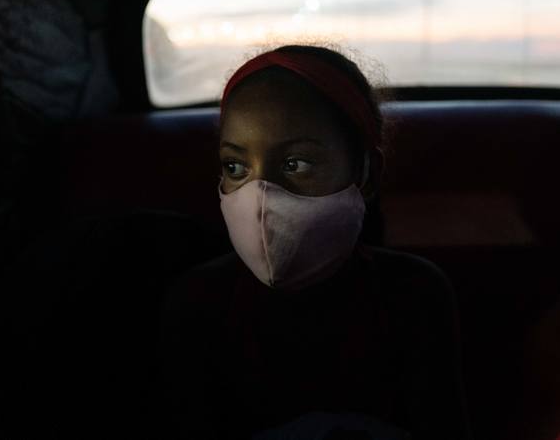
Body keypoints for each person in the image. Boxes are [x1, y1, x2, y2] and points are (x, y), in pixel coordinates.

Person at [158, 45, 470, 440]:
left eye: (295, 164)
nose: (260, 196)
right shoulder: (197, 303)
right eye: (235, 167)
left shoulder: (414, 296)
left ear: (366, 174)